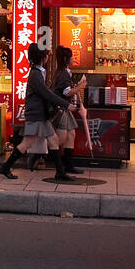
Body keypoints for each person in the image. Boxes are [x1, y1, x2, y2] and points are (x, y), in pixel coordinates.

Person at [0, 43, 71, 180]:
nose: (49, 57)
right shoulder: (36, 74)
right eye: (47, 55)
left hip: (39, 115)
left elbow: (46, 93)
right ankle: (5, 167)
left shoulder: (37, 72)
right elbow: (47, 94)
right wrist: (66, 104)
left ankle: (60, 172)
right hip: (36, 115)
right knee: (27, 143)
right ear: (42, 57)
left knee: (51, 140)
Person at [48, 46, 87, 176]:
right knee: (61, 138)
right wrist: (80, 86)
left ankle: (68, 165)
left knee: (71, 135)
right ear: (66, 59)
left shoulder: (63, 72)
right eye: (71, 56)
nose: (73, 58)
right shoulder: (63, 74)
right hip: (61, 109)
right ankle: (59, 166)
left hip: (65, 109)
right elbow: (67, 92)